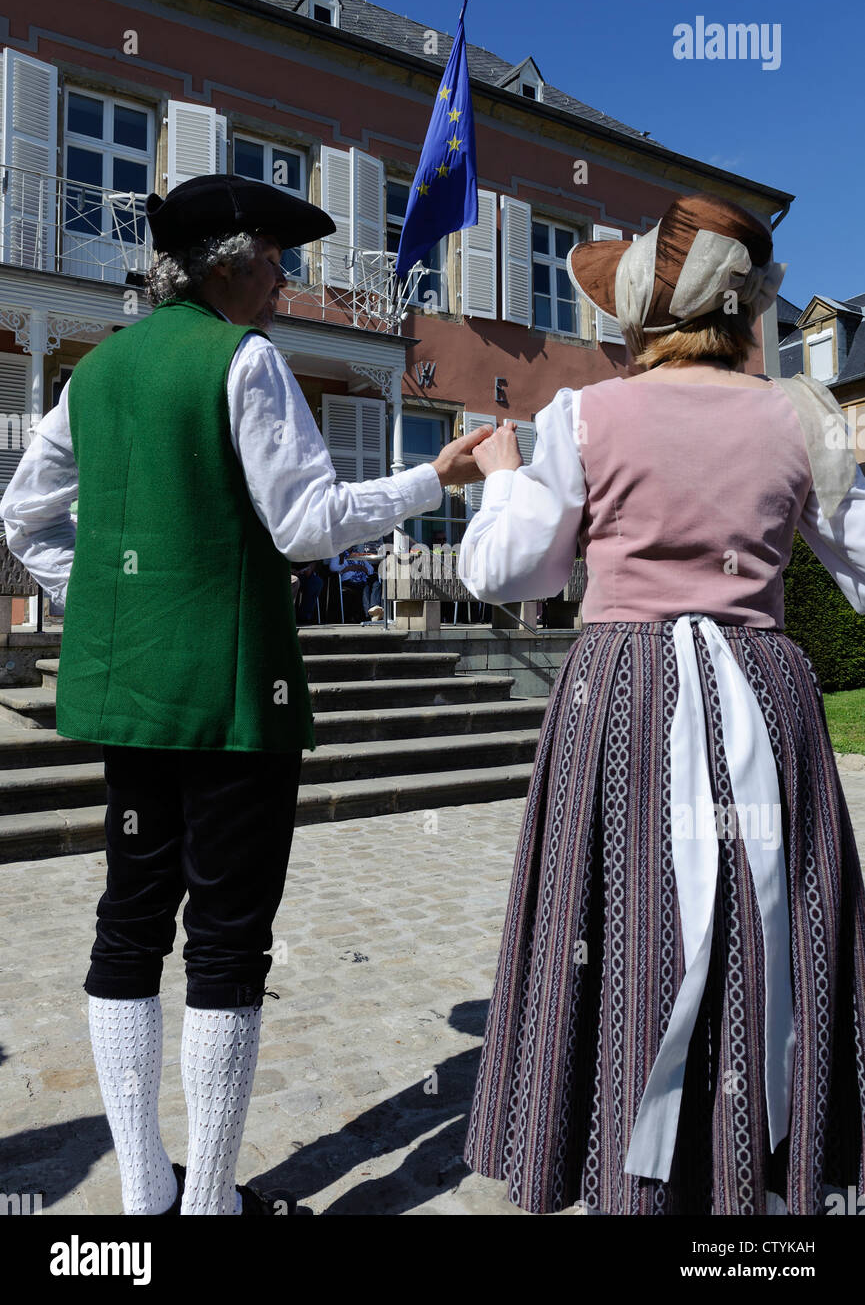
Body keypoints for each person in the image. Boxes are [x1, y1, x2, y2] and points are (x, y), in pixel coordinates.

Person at [0, 172, 492, 1216]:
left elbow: (26, 518)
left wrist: (108, 604)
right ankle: (211, 1202)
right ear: (230, 263)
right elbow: (306, 525)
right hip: (231, 691)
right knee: (226, 936)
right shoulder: (247, 360)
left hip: (130, 689)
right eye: (277, 259)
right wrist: (428, 481)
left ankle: (146, 1196)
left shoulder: (93, 374)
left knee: (128, 922)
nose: (286, 281)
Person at [457, 191, 865, 1216]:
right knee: (770, 924)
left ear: (642, 317)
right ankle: (762, 1173)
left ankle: (621, 1168)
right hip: (762, 687)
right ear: (747, 310)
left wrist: (503, 474)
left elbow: (507, 572)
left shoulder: (582, 414)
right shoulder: (797, 417)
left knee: (622, 926)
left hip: (621, 696)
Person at [326, 540, 385, 621]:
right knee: (365, 587)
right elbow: (333, 567)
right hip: (349, 580)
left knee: (376, 584)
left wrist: (363, 568)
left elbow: (370, 569)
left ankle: (375, 609)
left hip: (362, 578)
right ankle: (368, 615)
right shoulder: (339, 554)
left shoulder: (357, 554)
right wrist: (348, 568)